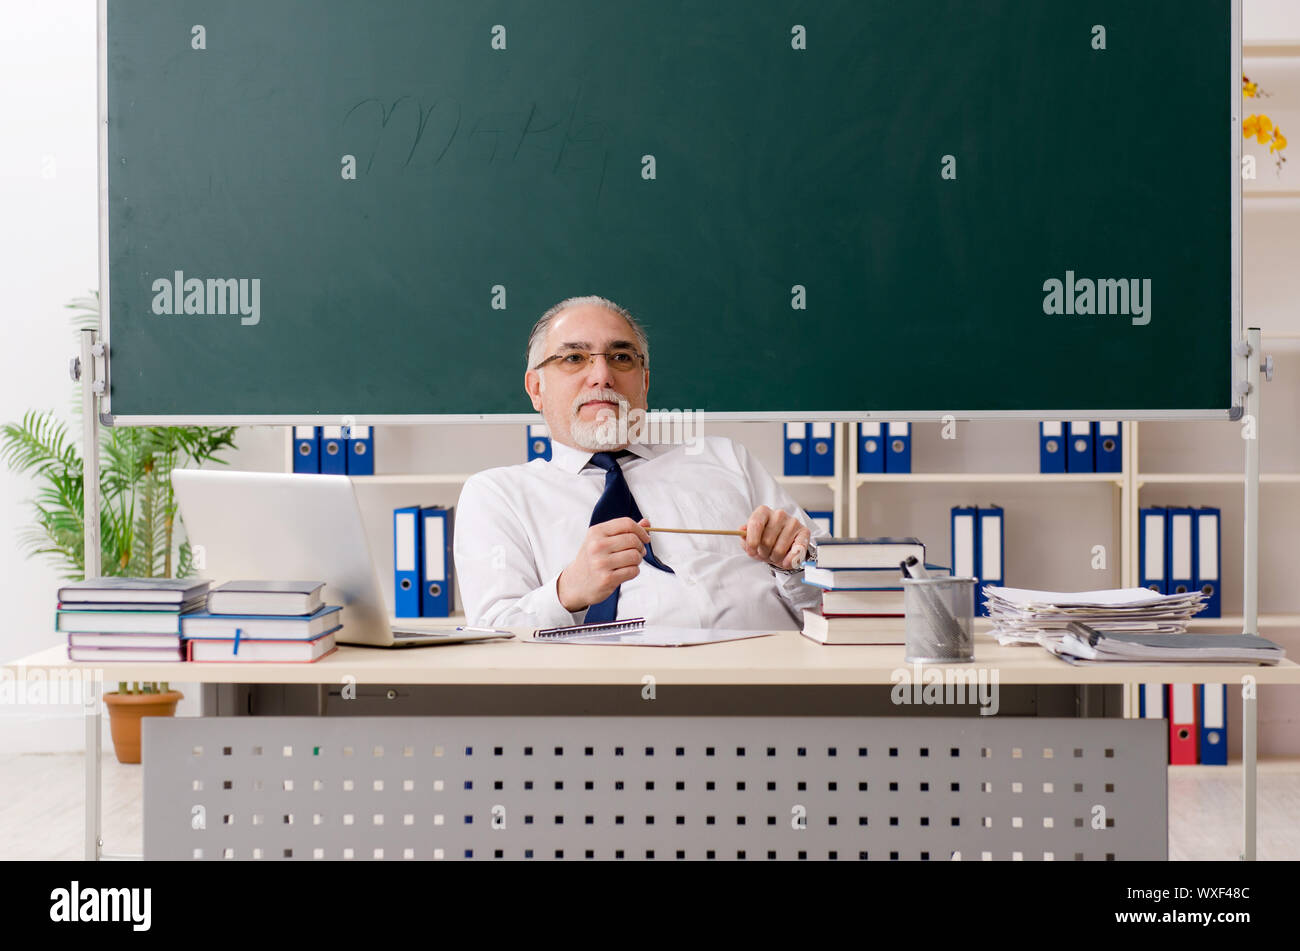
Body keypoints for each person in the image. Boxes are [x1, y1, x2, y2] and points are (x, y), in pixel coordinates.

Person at [453, 295, 828, 630]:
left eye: (621, 357)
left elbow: (837, 596)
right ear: (536, 388)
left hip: (770, 684)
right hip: (610, 701)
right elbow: (493, 638)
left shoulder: (725, 458)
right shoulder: (497, 495)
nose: (602, 376)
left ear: (644, 383)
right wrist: (568, 589)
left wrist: (795, 566)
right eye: (573, 358)